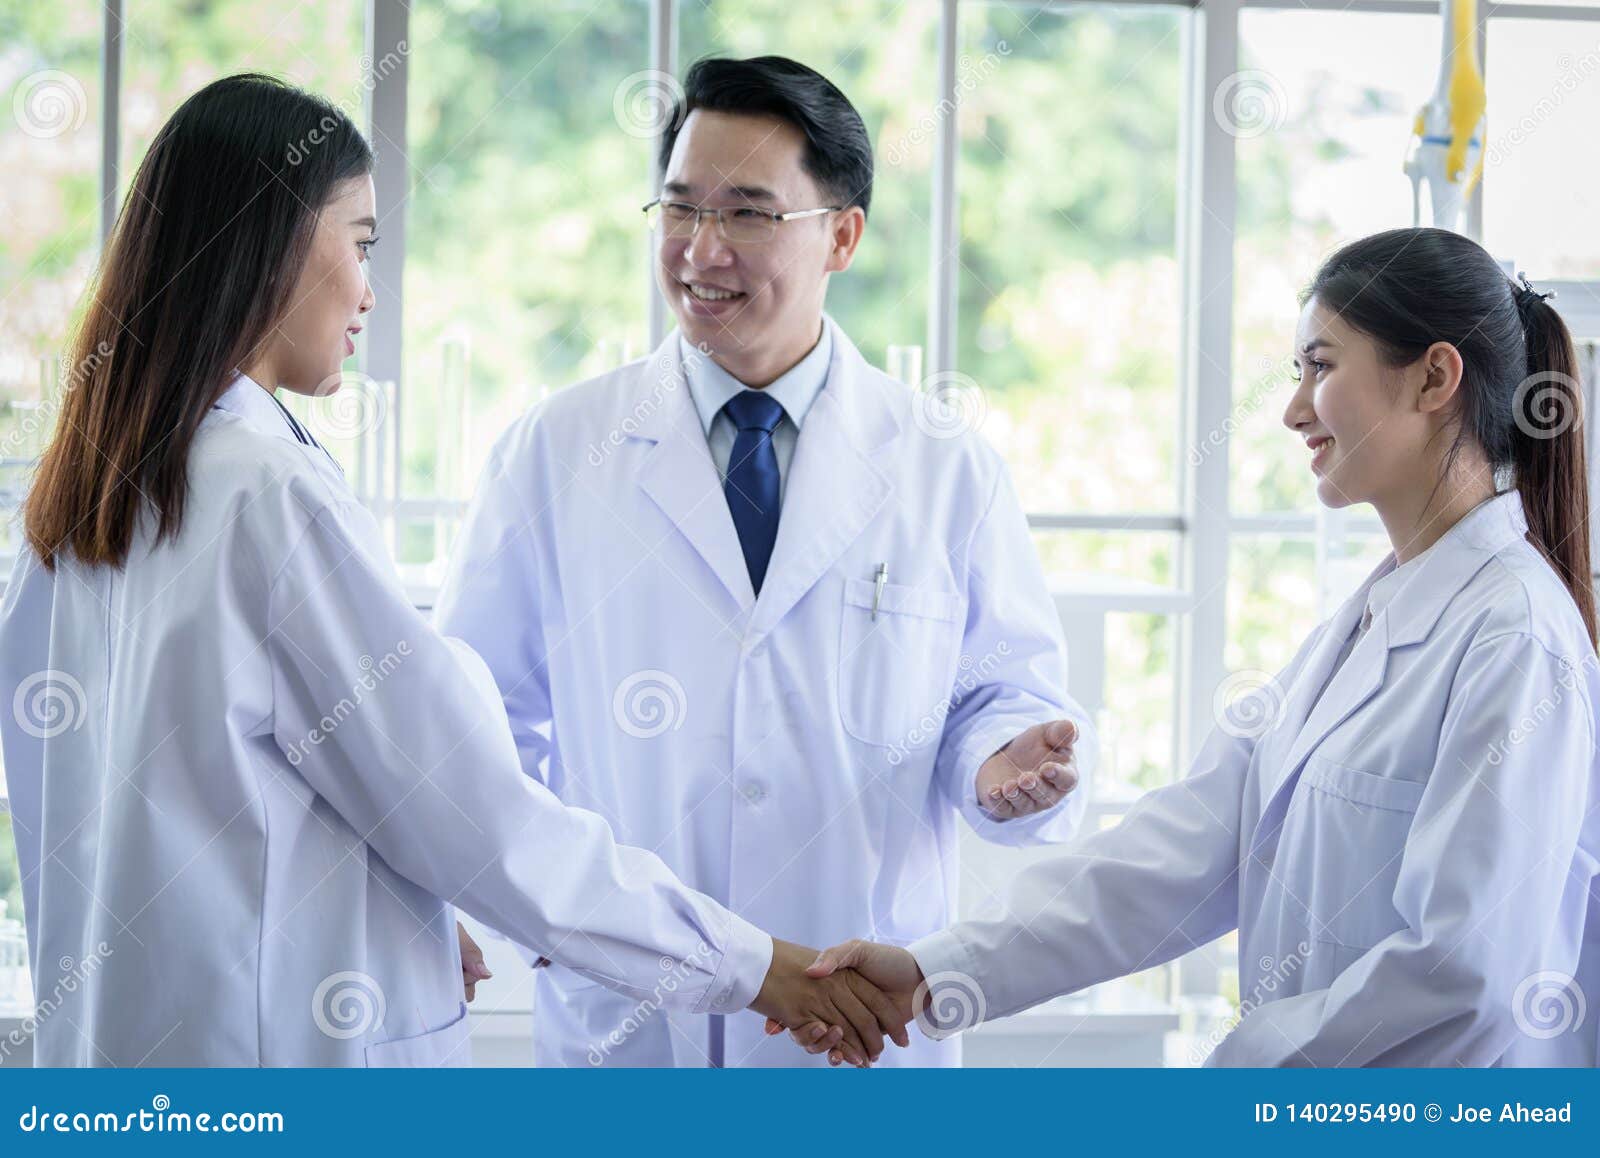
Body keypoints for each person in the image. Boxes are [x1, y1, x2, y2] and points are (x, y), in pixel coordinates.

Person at [0, 74, 907, 1068]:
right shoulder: (265, 495)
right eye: (360, 240)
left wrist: (421, 902)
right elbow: (474, 809)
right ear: (273, 242)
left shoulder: (85, 498)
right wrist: (754, 964)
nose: (369, 288)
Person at [777, 227, 1600, 1067]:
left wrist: (1233, 1081)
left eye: (1322, 365)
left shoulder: (1515, 639)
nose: (1293, 408)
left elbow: (1464, 979)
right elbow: (1175, 857)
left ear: (1434, 377)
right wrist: (929, 974)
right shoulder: (1363, 627)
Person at [433, 55, 1095, 1068]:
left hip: (857, 1031)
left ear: (842, 234)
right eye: (679, 207)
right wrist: (548, 931)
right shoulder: (557, 451)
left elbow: (996, 694)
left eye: (747, 214)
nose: (702, 249)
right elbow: (476, 727)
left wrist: (998, 763)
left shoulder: (941, 464)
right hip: (630, 1028)